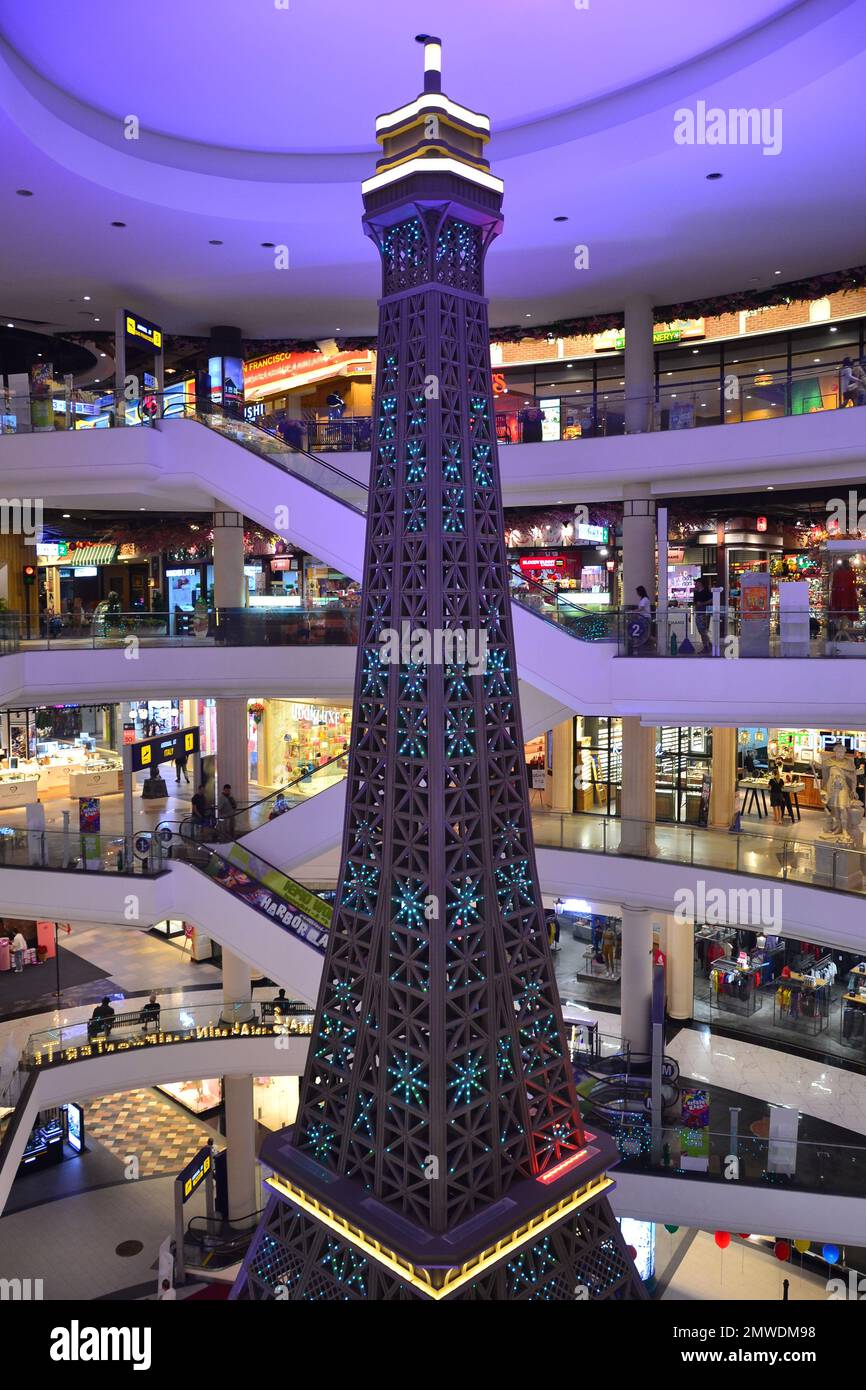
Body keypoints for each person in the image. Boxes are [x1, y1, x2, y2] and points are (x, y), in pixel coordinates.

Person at [692, 576, 713, 654]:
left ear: (700, 583)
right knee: (701, 630)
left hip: (705, 613)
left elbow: (711, 600)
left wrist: (702, 604)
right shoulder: (696, 592)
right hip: (698, 613)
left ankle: (706, 646)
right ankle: (708, 644)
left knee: (703, 630)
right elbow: (694, 604)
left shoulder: (707, 591)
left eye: (696, 582)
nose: (695, 584)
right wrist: (692, 613)